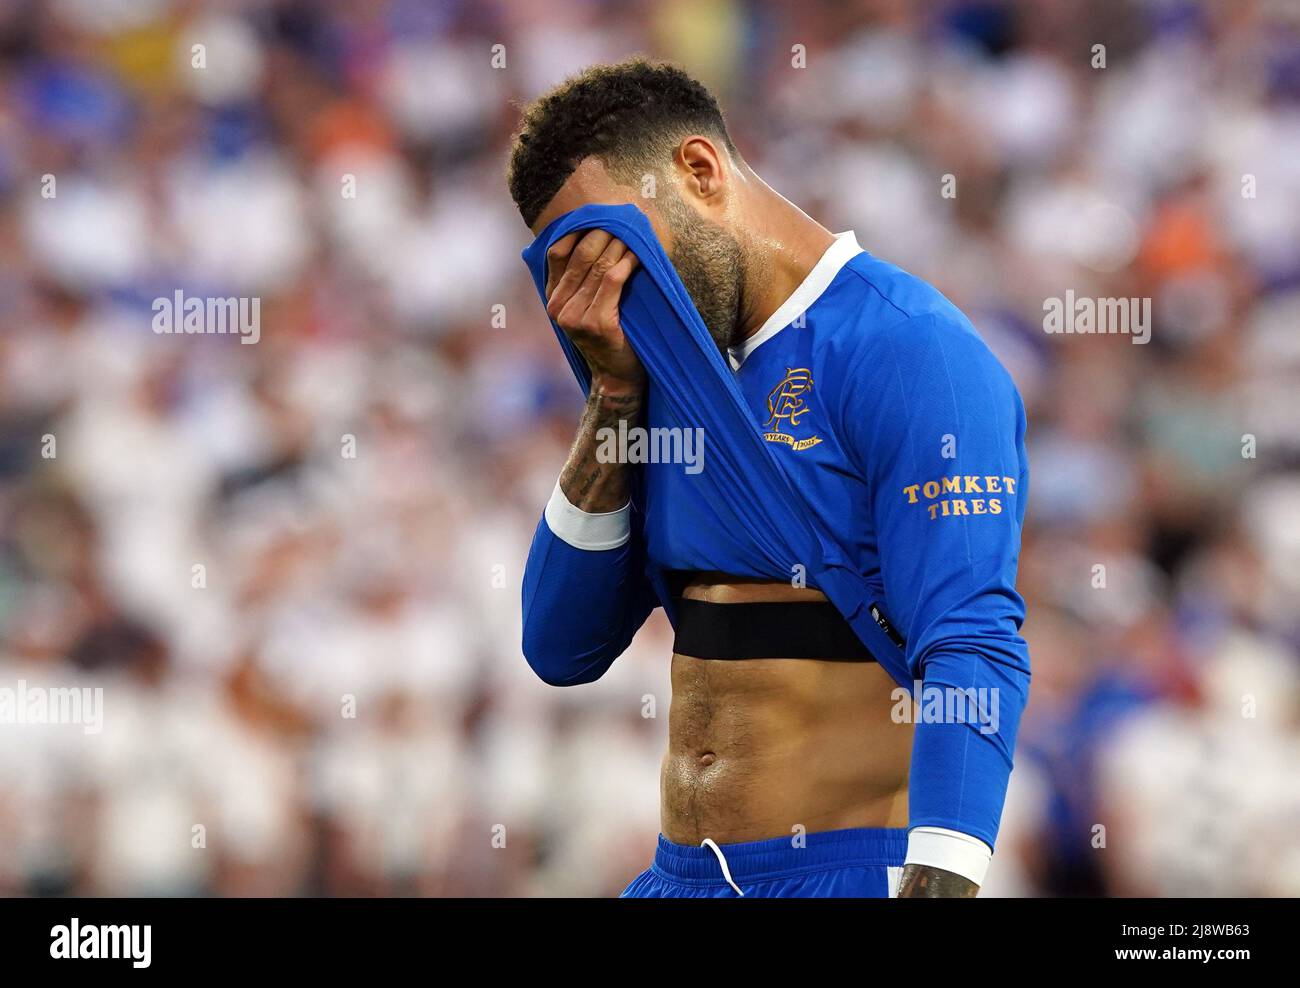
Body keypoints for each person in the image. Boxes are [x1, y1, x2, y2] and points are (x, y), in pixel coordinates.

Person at [509, 59, 1030, 898]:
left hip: (842, 876)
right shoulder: (666, 378)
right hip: (679, 876)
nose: (610, 296)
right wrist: (612, 397)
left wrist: (946, 875)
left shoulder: (908, 348)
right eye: (577, 272)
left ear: (700, 171)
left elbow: (969, 639)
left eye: (622, 250)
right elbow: (560, 646)